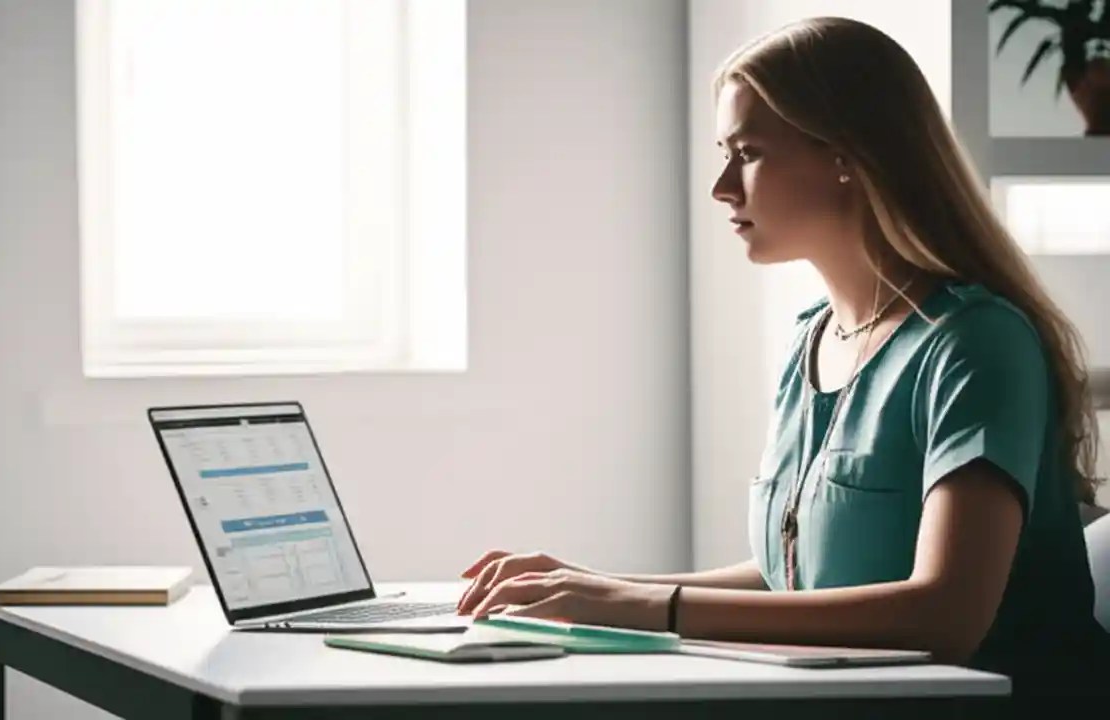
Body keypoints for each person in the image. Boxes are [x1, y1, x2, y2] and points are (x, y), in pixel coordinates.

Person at [455, 16, 1110, 700]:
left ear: (846, 155)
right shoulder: (811, 341)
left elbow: (946, 616)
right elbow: (792, 577)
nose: (721, 186)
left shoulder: (974, 344)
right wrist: (588, 587)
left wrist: (648, 608)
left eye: (748, 152)